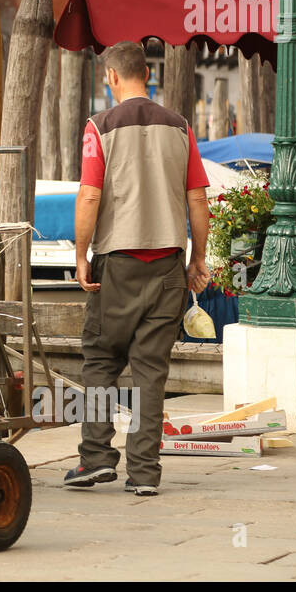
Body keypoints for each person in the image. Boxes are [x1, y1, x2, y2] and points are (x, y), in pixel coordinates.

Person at [65, 41, 211, 496]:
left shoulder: (99, 126)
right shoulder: (181, 127)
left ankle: (95, 460)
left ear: (111, 77)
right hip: (167, 263)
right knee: (151, 370)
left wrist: (81, 254)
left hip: (117, 264)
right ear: (146, 74)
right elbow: (198, 199)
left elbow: (89, 195)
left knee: (100, 359)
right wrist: (197, 258)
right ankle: (145, 474)